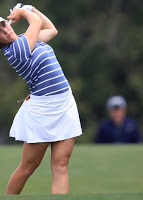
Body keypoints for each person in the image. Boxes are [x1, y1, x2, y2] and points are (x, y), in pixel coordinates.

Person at [0, 4, 82, 195]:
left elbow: (51, 30)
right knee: (28, 167)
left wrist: (33, 8)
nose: (6, 30)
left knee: (61, 164)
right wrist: (24, 13)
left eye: (4, 25)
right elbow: (36, 23)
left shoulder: (24, 39)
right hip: (43, 111)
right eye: (0, 31)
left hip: (65, 103)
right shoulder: (16, 50)